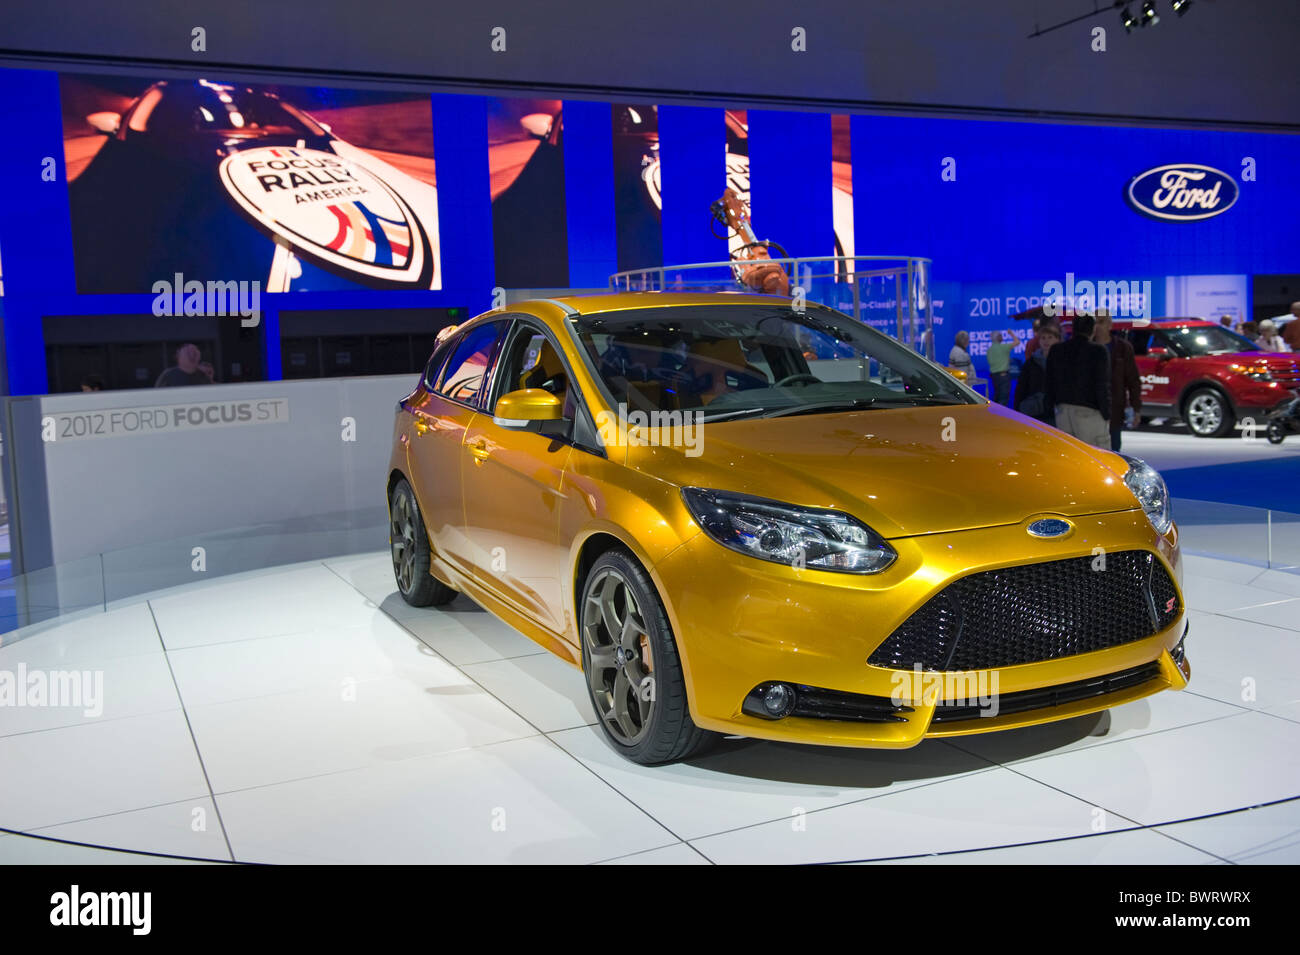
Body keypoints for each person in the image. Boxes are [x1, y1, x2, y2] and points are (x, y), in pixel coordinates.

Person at [1045, 313, 1111, 448]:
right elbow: (1101, 384)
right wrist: (1106, 412)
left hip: (1062, 412)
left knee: (1068, 457)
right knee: (1096, 457)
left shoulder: (1056, 350)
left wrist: (1050, 409)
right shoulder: (1098, 351)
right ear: (1092, 329)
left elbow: (1049, 382)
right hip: (1089, 412)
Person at [1093, 309, 1142, 451]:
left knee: (1114, 452)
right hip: (1090, 410)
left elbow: (1133, 380)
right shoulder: (1086, 349)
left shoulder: (1123, 348)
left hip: (1115, 409)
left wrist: (1136, 408)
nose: (1097, 326)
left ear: (1109, 324)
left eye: (1101, 322)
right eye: (1095, 322)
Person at [1014, 321, 1059, 425]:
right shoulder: (1031, 362)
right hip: (1033, 413)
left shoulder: (1063, 361)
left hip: (1056, 413)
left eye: (1050, 337)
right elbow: (1021, 388)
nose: (1046, 341)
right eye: (1043, 338)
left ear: (1057, 339)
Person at [986, 329, 1018, 406]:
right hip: (1004, 376)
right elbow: (1017, 342)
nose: (1002, 337)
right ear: (997, 337)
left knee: (997, 396)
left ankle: (994, 416)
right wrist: (1011, 333)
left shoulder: (989, 350)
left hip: (994, 377)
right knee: (1003, 399)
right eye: (1000, 335)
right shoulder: (1004, 347)